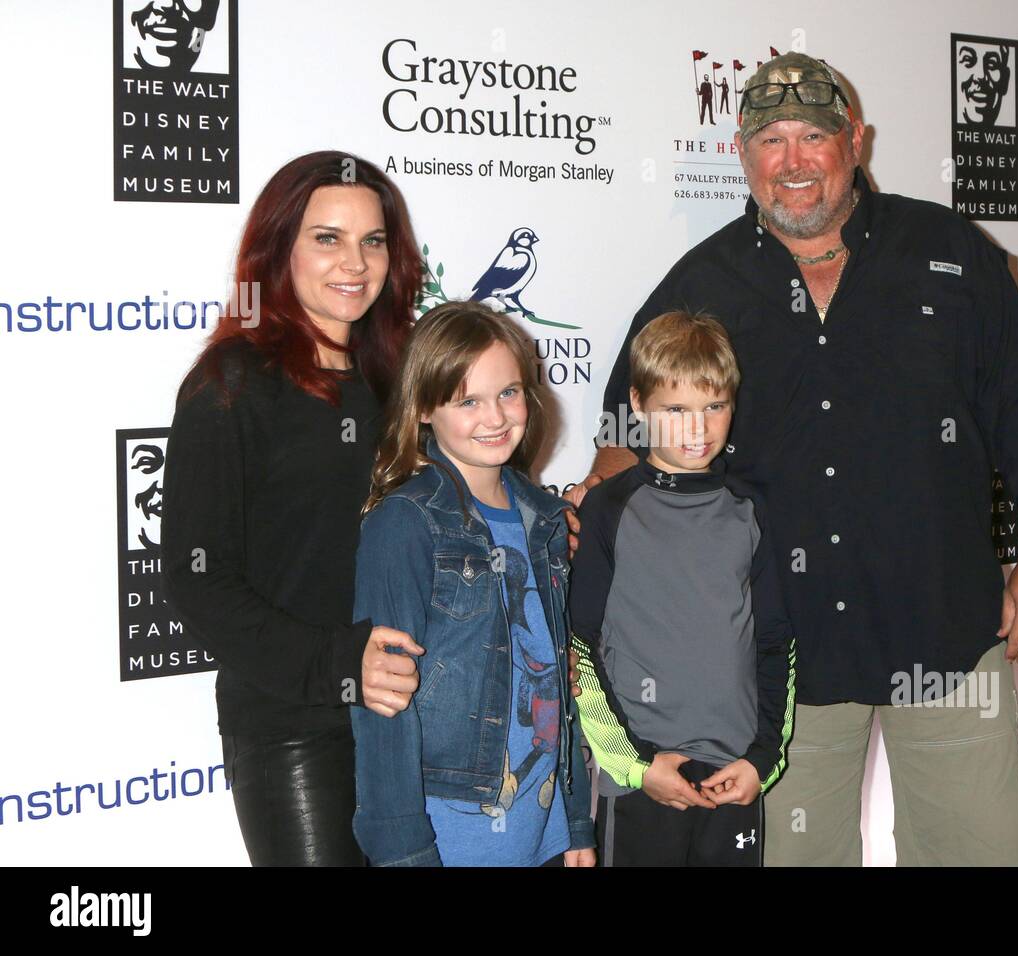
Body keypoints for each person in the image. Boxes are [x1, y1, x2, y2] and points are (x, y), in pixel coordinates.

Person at [567, 52, 1018, 866]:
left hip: (944, 631)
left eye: (815, 136)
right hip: (779, 660)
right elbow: (629, 440)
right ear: (741, 152)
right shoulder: (702, 284)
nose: (794, 162)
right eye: (772, 140)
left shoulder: (949, 253)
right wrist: (585, 513)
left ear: (856, 141)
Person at [160, 150, 426, 866]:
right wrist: (341, 662)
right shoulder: (233, 385)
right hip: (293, 726)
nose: (356, 261)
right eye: (327, 237)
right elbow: (198, 578)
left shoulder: (399, 381)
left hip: (413, 711)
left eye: (373, 240)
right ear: (280, 247)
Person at [350, 300, 596, 867]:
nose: (496, 417)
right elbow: (382, 705)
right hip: (448, 832)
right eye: (468, 400)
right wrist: (404, 850)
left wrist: (576, 819)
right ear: (425, 409)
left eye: (508, 393)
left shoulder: (544, 518)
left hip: (542, 822)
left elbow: (559, 678)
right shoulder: (406, 523)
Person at [569, 311, 794, 867]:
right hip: (644, 777)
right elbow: (579, 646)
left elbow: (775, 642)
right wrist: (636, 765)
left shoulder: (752, 509)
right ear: (639, 406)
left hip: (735, 777)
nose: (698, 429)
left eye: (713, 406)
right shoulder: (608, 508)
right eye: (676, 410)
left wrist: (762, 760)